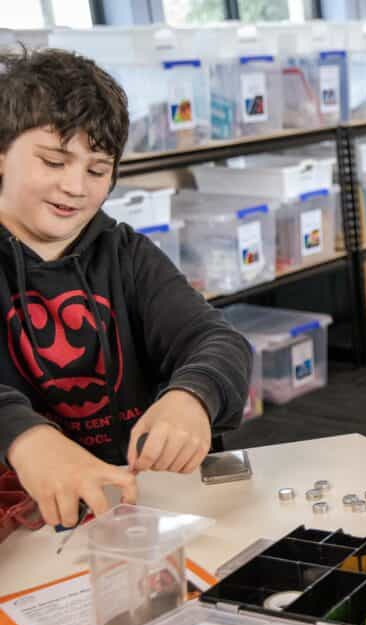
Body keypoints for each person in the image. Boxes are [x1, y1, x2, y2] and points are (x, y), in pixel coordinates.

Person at [0, 49, 251, 528]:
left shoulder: (127, 254)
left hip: (131, 506)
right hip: (20, 523)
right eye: (54, 161)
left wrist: (192, 397)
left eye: (97, 170)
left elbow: (218, 341)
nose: (75, 186)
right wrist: (25, 437)